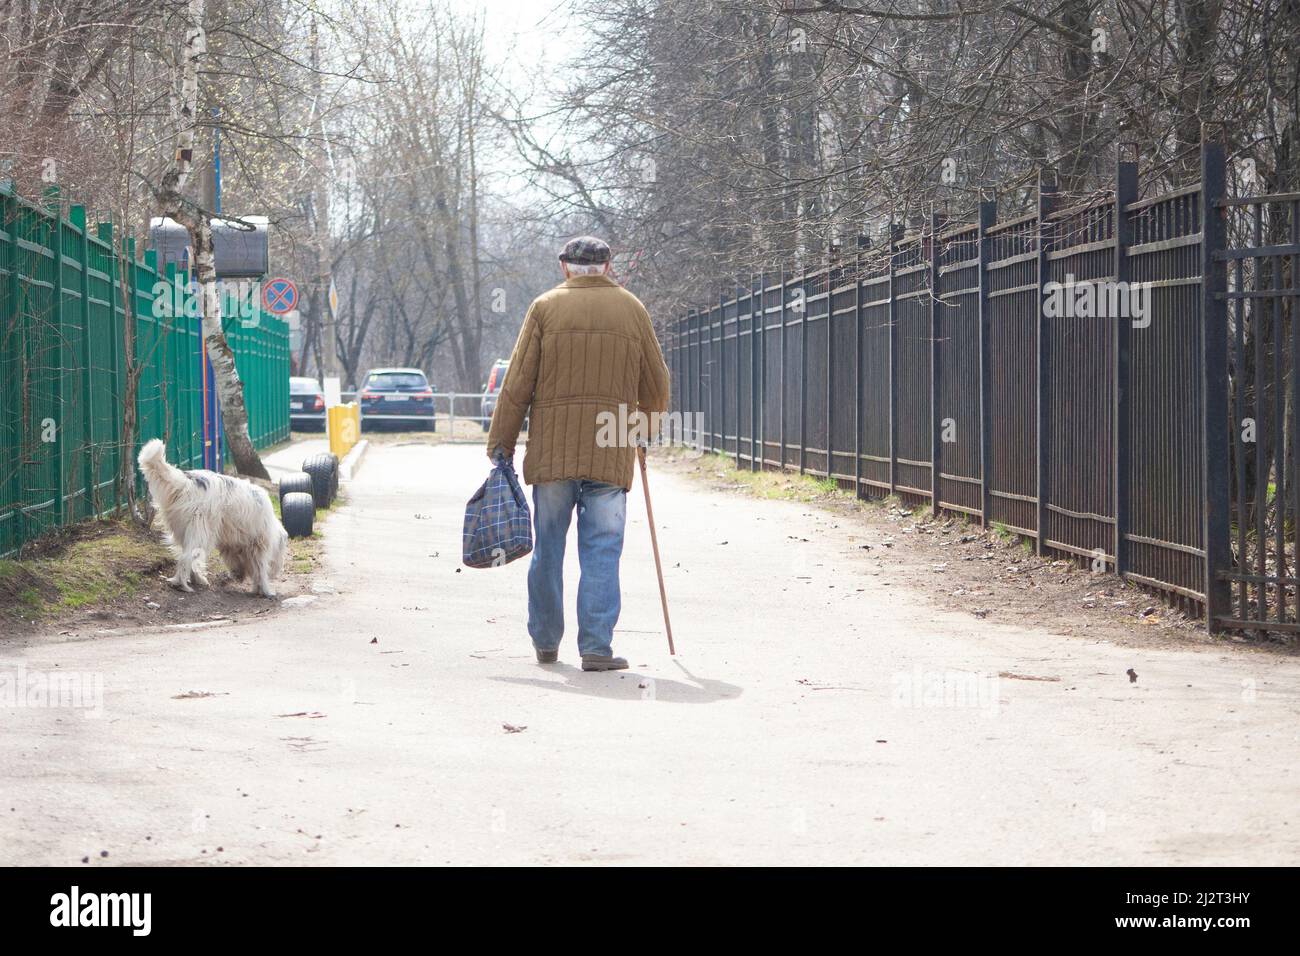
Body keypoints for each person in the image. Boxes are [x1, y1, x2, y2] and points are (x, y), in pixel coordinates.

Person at [486, 236, 670, 671]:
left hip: (553, 453)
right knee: (602, 550)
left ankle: (546, 642)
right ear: (608, 265)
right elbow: (657, 386)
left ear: (565, 266)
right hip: (611, 450)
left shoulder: (544, 307)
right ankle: (596, 648)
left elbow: (517, 383)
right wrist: (642, 432)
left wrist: (502, 444)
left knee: (548, 547)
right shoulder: (632, 309)